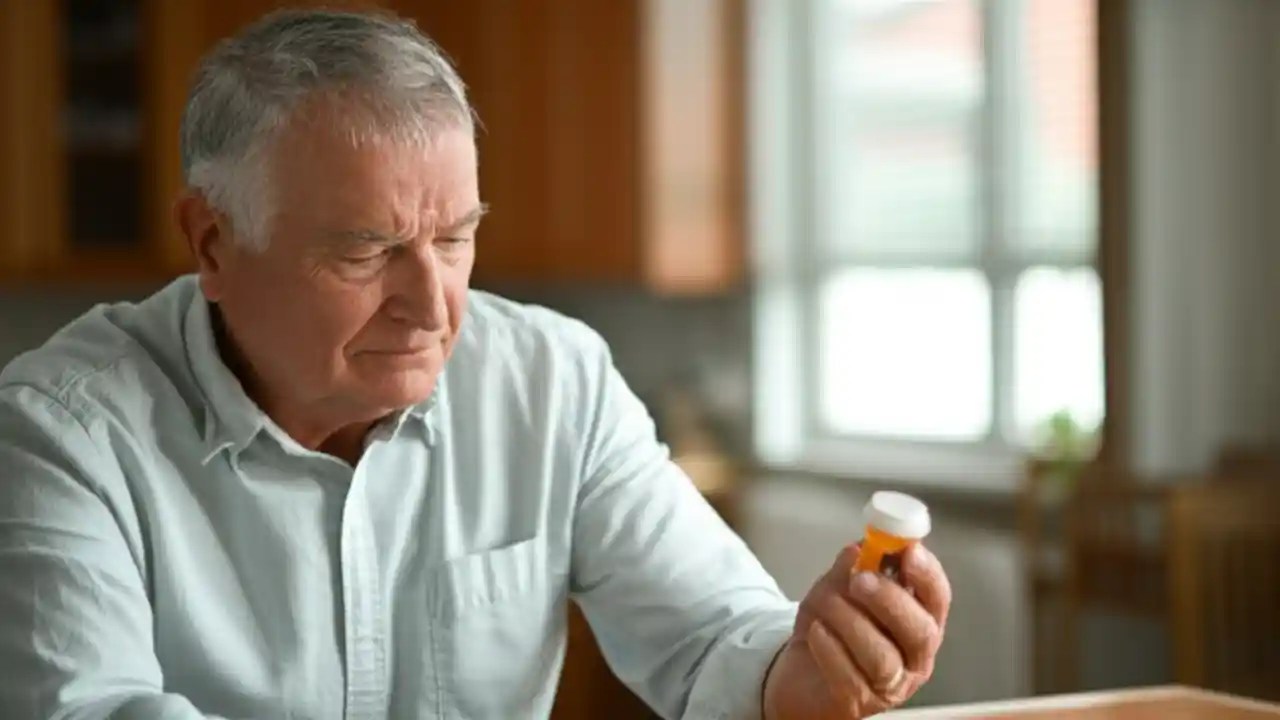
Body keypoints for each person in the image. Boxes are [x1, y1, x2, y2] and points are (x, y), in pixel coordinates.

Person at [0, 9, 951, 719]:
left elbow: (714, 639)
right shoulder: (59, 432)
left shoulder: (552, 383)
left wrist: (806, 672)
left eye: (455, 238)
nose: (433, 306)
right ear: (212, 242)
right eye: (368, 250)